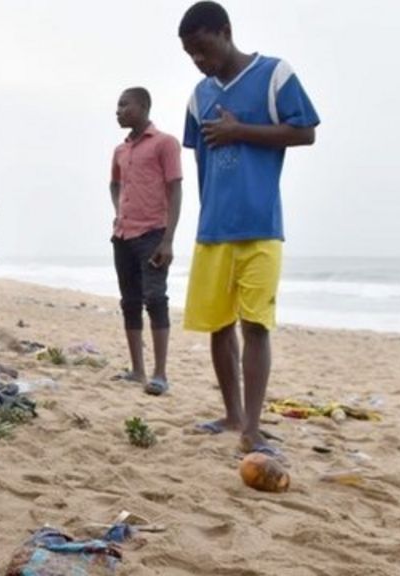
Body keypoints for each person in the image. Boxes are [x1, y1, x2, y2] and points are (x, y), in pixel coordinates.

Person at [178, 2, 319, 456]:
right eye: (190, 54)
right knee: (218, 325)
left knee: (255, 325)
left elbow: (305, 132)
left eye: (203, 48)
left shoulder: (275, 74)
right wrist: (205, 214)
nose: (198, 60)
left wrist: (241, 131)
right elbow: (201, 162)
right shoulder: (198, 96)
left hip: (260, 225)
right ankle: (232, 415)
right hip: (214, 228)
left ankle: (252, 429)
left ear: (225, 31)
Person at [109, 87, 183, 397]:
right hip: (123, 235)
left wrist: (168, 240)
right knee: (129, 302)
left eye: (124, 105)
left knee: (155, 299)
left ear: (142, 106)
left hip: (153, 234)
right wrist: (119, 213)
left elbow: (175, 189)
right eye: (117, 106)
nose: (118, 111)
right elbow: (114, 184)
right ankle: (137, 370)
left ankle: (160, 373)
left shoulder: (165, 143)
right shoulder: (120, 150)